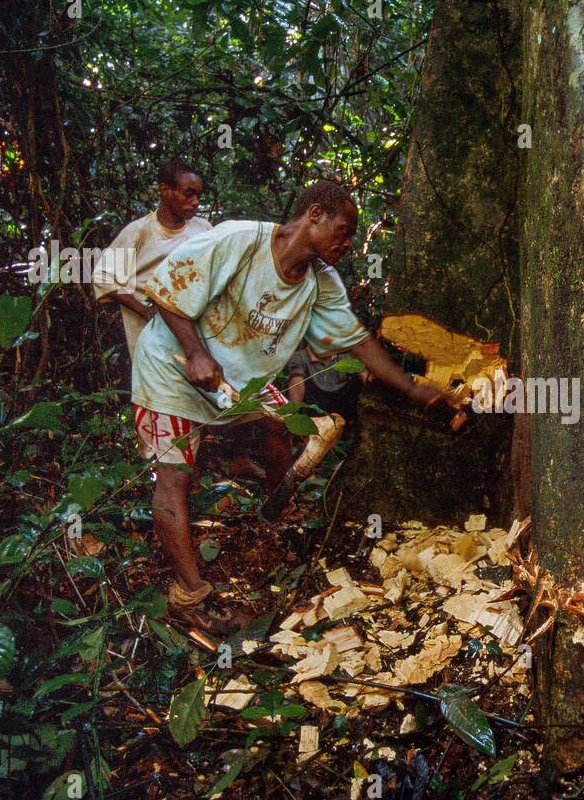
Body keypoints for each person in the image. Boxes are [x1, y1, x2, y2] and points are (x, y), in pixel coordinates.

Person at [131, 179, 460, 632]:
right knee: (175, 474)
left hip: (235, 380)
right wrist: (194, 352)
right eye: (343, 231)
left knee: (280, 423)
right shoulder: (239, 242)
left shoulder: (320, 283)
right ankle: (191, 595)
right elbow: (166, 289)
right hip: (170, 366)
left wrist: (411, 389)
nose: (347, 244)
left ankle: (274, 516)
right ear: (314, 215)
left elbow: (357, 340)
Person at [90, 161, 211, 360]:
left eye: (198, 195)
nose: (196, 201)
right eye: (189, 193)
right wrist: (143, 310)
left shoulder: (203, 228)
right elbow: (103, 276)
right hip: (153, 337)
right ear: (165, 190)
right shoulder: (140, 231)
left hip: (198, 332)